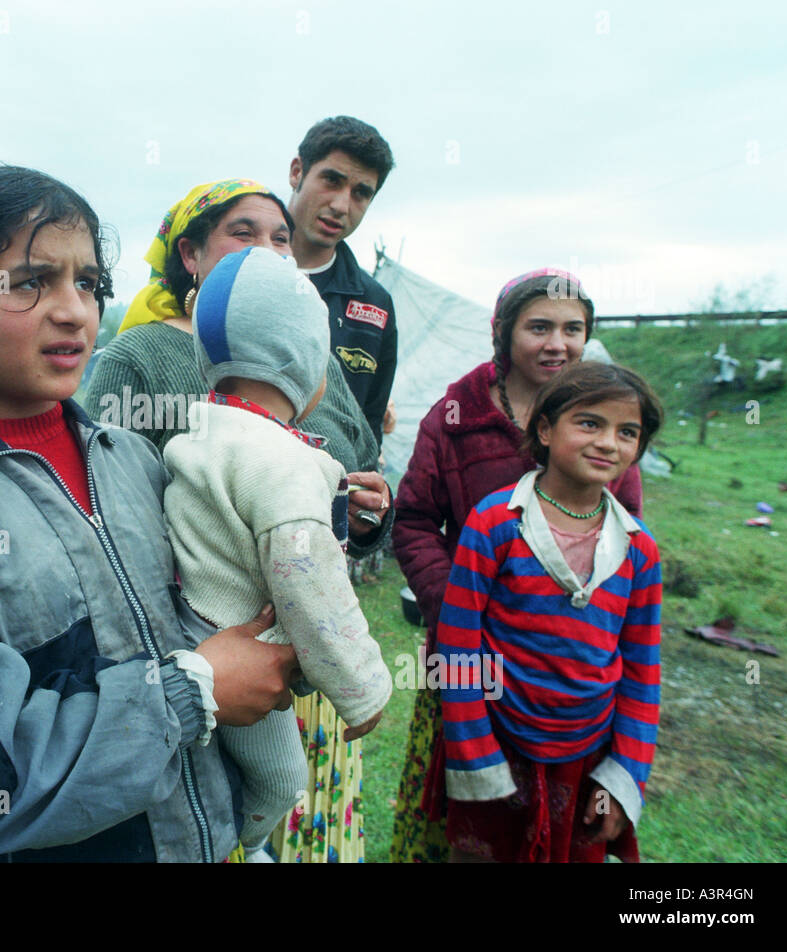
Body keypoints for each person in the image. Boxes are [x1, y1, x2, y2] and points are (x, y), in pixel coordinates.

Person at [0, 163, 299, 862]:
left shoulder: (134, 460)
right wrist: (191, 692)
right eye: (30, 281)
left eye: (87, 283)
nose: (74, 310)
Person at [85, 178, 393, 862]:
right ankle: (236, 845)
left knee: (286, 790)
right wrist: (364, 685)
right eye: (243, 234)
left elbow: (356, 457)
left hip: (296, 648)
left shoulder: (265, 380)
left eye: (281, 239)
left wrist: (366, 514)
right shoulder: (139, 357)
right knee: (259, 783)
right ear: (190, 255)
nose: (268, 252)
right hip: (235, 650)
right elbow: (107, 493)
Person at [388, 268, 644, 863]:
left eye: (573, 329)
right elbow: (417, 520)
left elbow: (625, 527)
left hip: (572, 661)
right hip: (469, 654)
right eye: (539, 327)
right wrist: (460, 610)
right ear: (503, 332)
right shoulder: (458, 413)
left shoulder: (600, 413)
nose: (558, 343)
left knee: (563, 819)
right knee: (471, 815)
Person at [163, 246, 394, 861]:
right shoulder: (282, 462)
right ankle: (237, 846)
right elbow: (309, 583)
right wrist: (362, 688)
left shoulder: (201, 434)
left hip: (187, 640)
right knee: (281, 780)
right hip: (247, 656)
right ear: (309, 367)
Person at [437, 361, 664, 862]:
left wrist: (623, 774)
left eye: (628, 431)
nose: (608, 442)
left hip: (588, 757)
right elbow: (455, 648)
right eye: (589, 423)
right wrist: (475, 755)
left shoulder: (638, 549)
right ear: (545, 428)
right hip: (496, 738)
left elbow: (644, 672)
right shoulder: (494, 523)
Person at [286, 116, 397, 446]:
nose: (341, 205)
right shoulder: (235, 270)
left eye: (361, 193)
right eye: (331, 181)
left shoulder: (375, 304)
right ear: (297, 172)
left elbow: (370, 427)